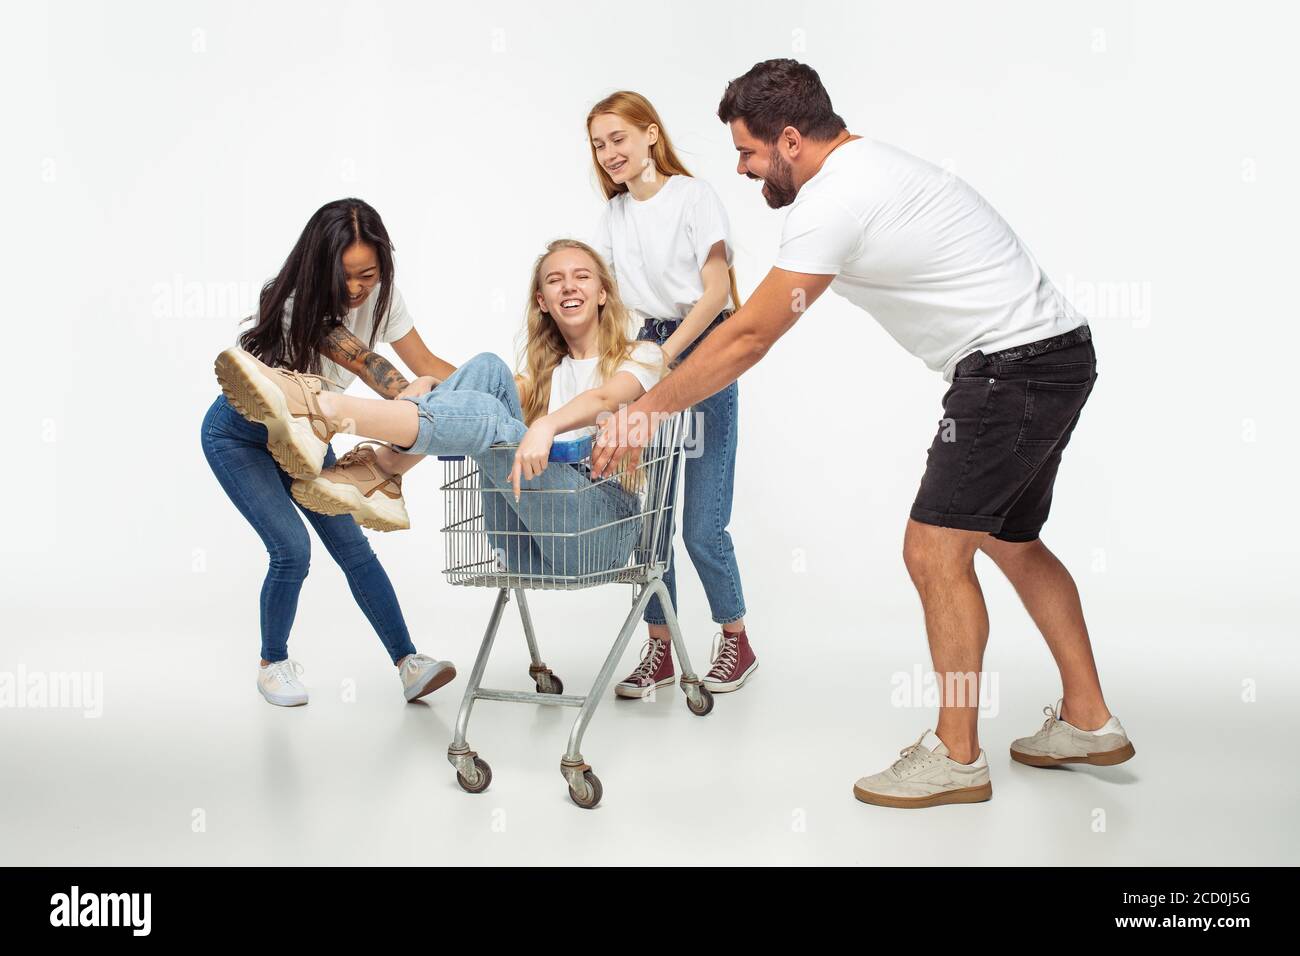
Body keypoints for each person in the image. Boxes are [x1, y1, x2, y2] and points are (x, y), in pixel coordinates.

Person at [591, 59, 1135, 809]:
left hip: (1012, 369)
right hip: (1053, 354)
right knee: (1010, 540)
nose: (745, 170)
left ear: (789, 140)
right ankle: (1087, 718)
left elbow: (748, 335)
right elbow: (747, 330)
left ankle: (956, 755)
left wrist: (644, 408)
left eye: (748, 152)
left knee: (931, 549)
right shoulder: (867, 170)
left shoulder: (834, 198)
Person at [218, 238, 664, 579]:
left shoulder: (642, 354)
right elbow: (472, 398)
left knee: (490, 415)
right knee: (488, 371)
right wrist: (429, 389)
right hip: (524, 539)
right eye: (554, 279)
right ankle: (377, 464)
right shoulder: (538, 378)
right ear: (542, 303)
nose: (569, 285)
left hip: (599, 531)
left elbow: (607, 399)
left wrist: (544, 425)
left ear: (604, 292)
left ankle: (329, 413)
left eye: (582, 276)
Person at [202, 198, 457, 708]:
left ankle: (408, 663)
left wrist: (478, 394)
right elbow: (365, 364)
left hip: (305, 442)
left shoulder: (385, 296)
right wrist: (414, 399)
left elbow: (426, 360)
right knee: (292, 551)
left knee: (355, 550)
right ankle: (272, 664)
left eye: (369, 273)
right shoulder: (297, 299)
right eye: (347, 276)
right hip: (242, 437)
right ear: (322, 265)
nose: (359, 288)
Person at [587, 90, 758, 699]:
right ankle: (661, 648)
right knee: (649, 525)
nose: (609, 153)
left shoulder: (694, 197)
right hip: (646, 351)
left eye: (619, 139)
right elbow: (610, 303)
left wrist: (669, 355)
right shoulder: (614, 216)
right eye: (600, 144)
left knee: (702, 525)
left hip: (706, 347)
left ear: (650, 134)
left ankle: (736, 639)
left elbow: (715, 293)